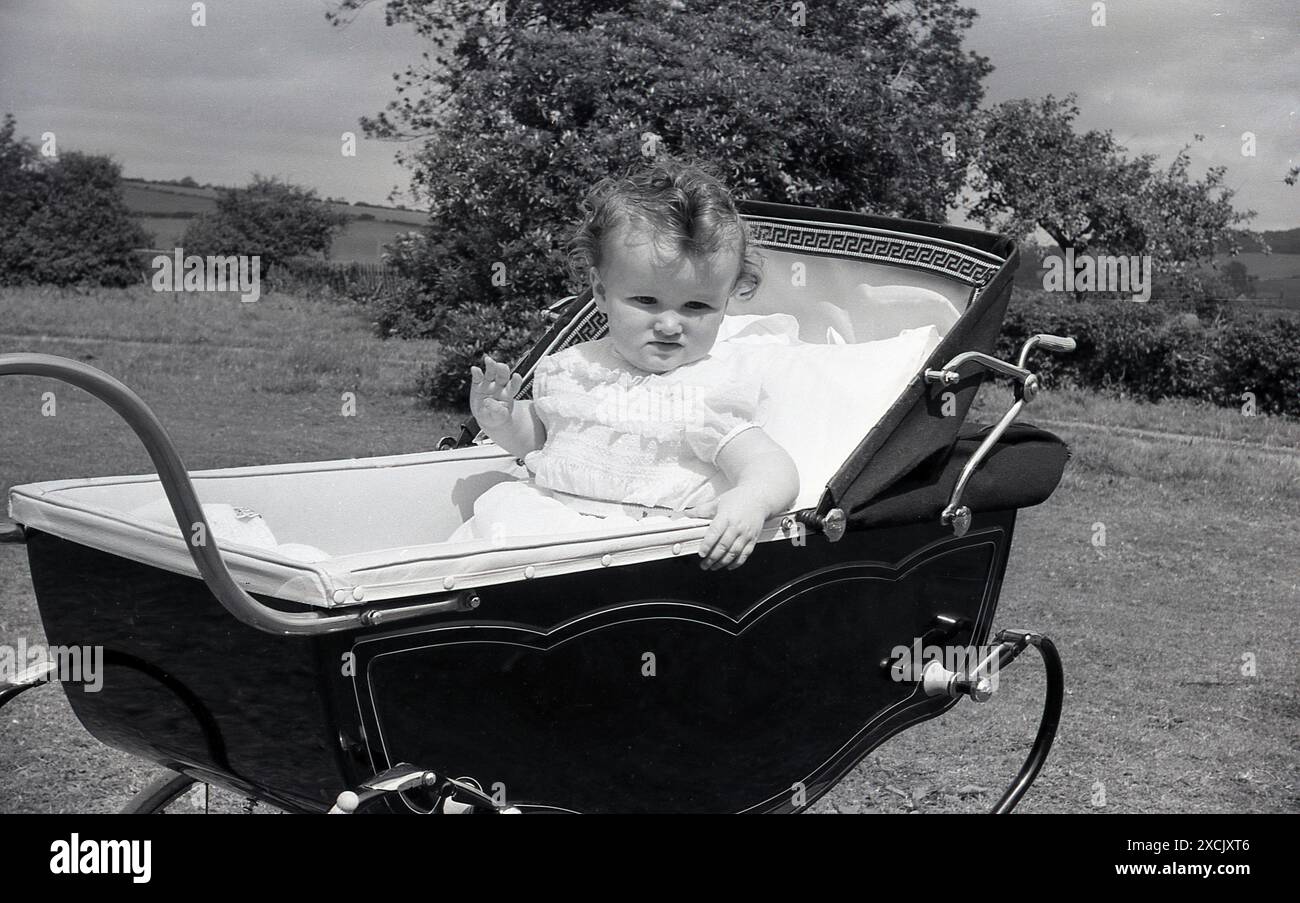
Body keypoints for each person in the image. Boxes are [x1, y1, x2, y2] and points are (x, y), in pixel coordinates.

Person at [450, 158, 798, 571]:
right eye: (646, 301)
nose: (669, 324)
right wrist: (502, 420)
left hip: (641, 549)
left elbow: (769, 464)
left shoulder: (708, 387)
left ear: (724, 305)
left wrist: (751, 498)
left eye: (697, 306)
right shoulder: (572, 366)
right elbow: (542, 438)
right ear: (600, 292)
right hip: (541, 519)